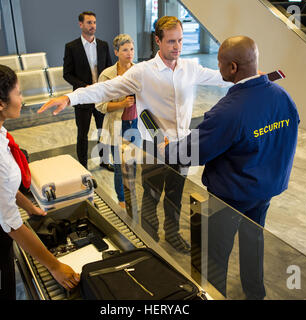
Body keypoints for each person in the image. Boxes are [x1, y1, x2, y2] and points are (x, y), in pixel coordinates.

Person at [38, 16, 232, 253]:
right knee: (151, 196)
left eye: (180, 40)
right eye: (171, 41)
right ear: (157, 41)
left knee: (175, 194)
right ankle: (151, 241)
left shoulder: (190, 68)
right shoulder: (142, 72)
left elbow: (222, 78)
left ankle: (172, 235)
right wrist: (70, 97)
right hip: (153, 146)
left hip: (182, 146)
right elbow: (105, 88)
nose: (177, 46)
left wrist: (258, 75)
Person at [163, 36, 300, 299]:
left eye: (220, 63)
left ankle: (215, 296)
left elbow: (193, 151)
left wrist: (166, 150)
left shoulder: (229, 111)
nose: (219, 67)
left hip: (230, 196)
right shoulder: (283, 96)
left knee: (214, 255)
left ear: (233, 68)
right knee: (253, 239)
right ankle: (255, 292)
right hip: (264, 190)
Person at [0, 64, 79, 300]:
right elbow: (12, 224)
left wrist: (30, 208)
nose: (22, 100)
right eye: (18, 93)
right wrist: (54, 266)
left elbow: (1, 186)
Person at [95, 34, 140, 210]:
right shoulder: (107, 75)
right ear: (116, 52)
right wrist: (122, 104)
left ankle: (133, 197)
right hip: (117, 126)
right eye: (125, 50)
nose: (129, 53)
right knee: (120, 167)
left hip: (136, 124)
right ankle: (122, 201)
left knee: (134, 164)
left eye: (131, 49)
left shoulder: (139, 71)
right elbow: (100, 105)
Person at [63, 11, 113, 171]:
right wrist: (84, 87)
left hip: (100, 97)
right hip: (83, 97)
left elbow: (109, 70)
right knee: (82, 134)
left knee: (102, 132)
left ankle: (104, 161)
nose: (93, 26)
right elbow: (67, 73)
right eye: (89, 22)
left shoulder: (103, 45)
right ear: (81, 24)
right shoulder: (71, 47)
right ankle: (83, 166)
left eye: (94, 22)